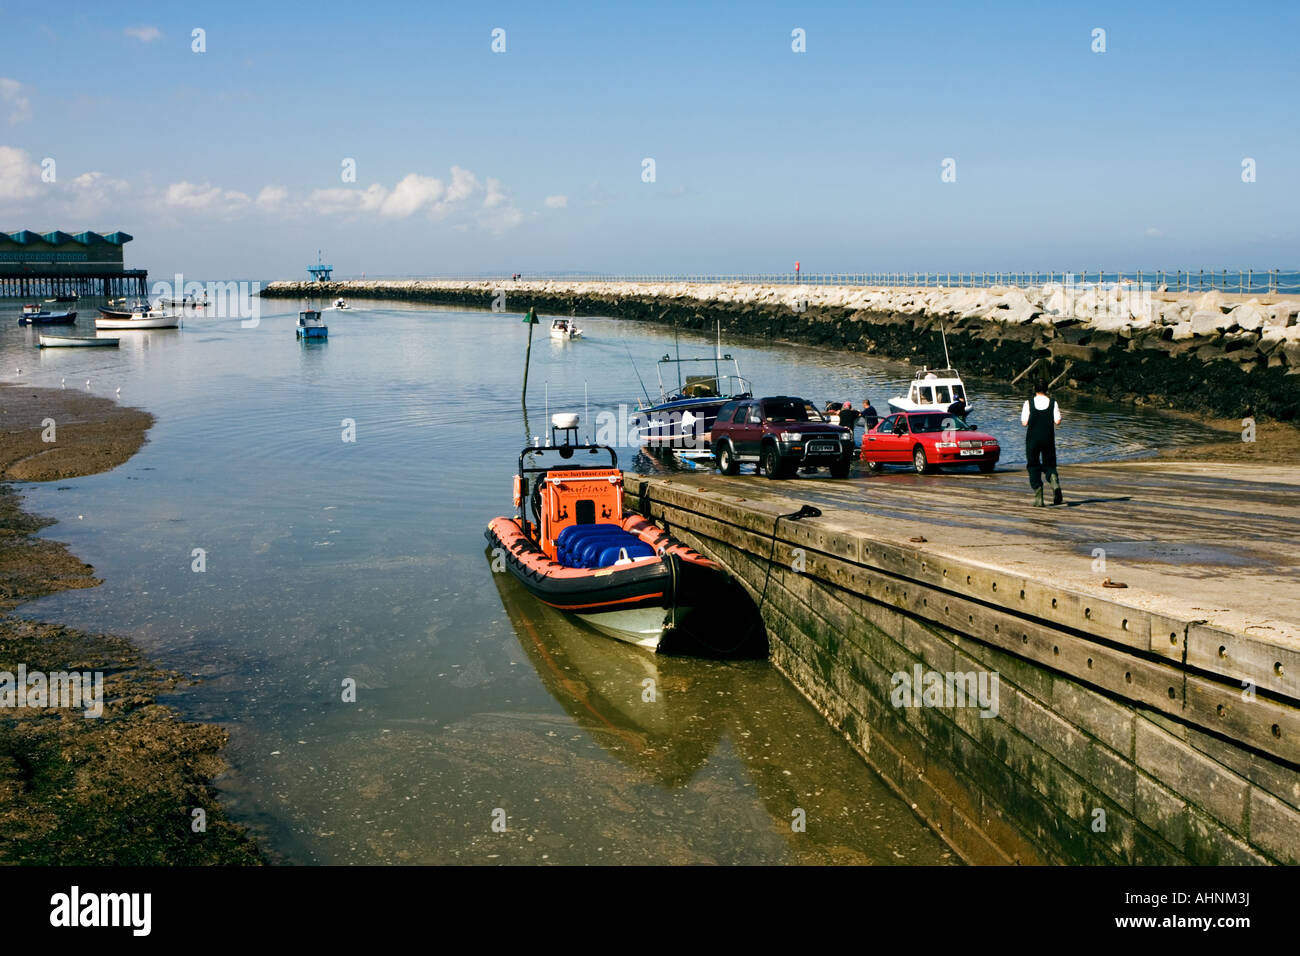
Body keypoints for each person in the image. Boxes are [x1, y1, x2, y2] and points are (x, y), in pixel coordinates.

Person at [1021, 379, 1062, 506]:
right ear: (1046, 389)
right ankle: (1054, 482)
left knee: (1033, 466)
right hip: (1048, 438)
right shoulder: (1053, 402)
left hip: (1033, 439)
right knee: (1049, 464)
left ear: (1034, 388)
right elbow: (1058, 421)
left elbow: (1024, 423)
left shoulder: (1028, 403)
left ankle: (1039, 498)